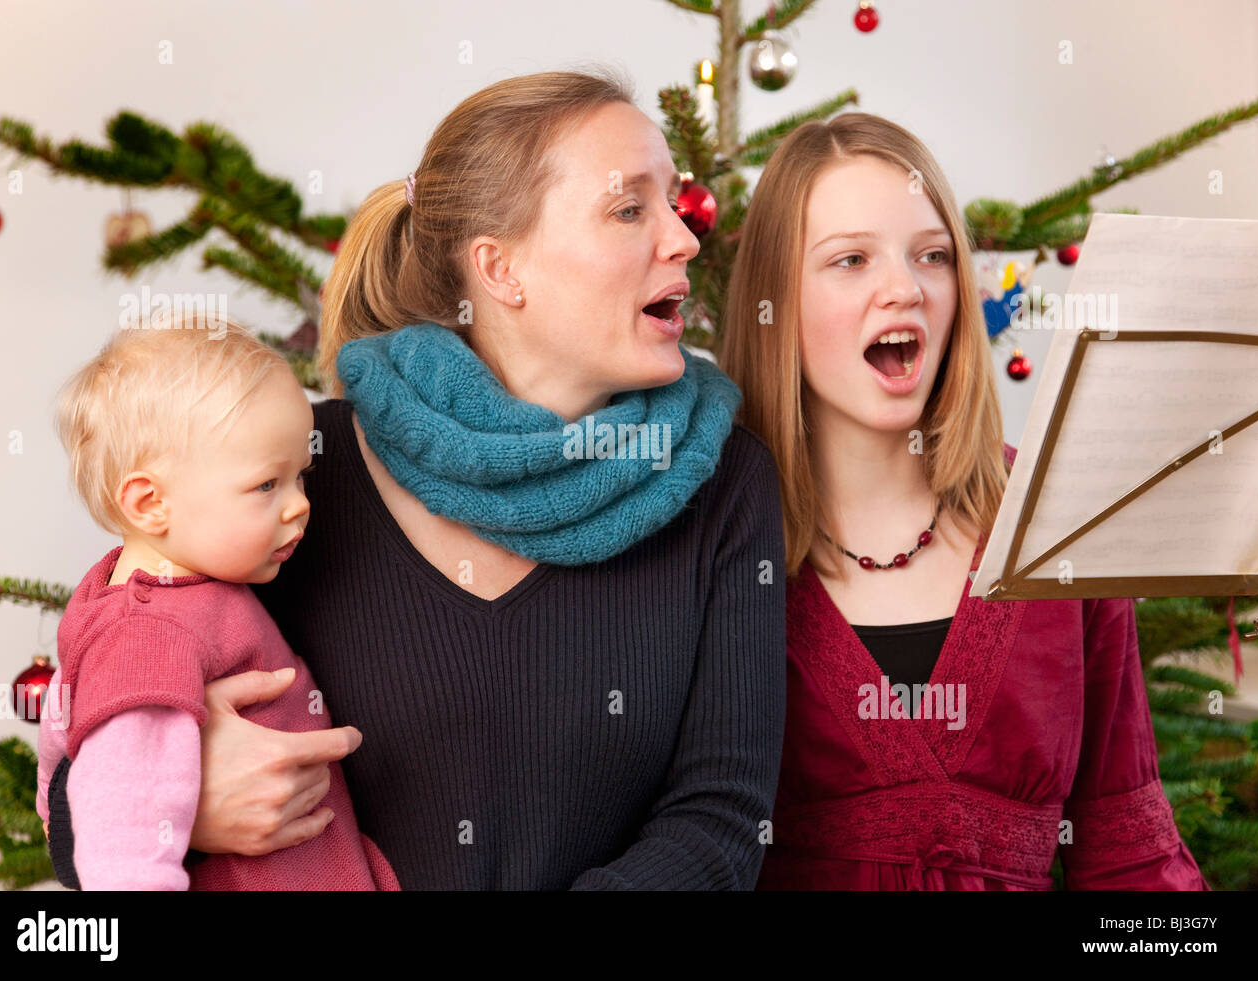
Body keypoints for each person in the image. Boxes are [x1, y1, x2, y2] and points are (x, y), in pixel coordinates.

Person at [40, 68, 788, 890]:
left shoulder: (721, 480)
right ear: (501, 270)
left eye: (674, 204)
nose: (683, 238)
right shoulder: (295, 479)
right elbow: (109, 699)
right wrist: (183, 805)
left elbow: (721, 819)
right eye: (628, 208)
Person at [717, 111, 1208, 890]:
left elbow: (1128, 853)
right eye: (850, 260)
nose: (905, 288)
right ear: (775, 300)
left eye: (933, 256)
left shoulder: (1056, 523)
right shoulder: (710, 541)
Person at [38, 320, 398, 890]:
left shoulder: (150, 599)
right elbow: (121, 840)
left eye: (299, 477)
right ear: (150, 502)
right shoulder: (148, 632)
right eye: (265, 485)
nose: (299, 505)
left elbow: (60, 732)